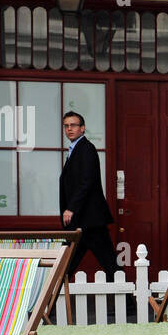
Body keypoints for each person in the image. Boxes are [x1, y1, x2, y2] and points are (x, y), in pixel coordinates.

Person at [58, 111, 119, 277]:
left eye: (73, 125)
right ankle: (51, 301)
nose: (69, 129)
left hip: (90, 221)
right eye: (66, 126)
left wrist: (71, 209)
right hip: (81, 221)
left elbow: (87, 181)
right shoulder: (75, 149)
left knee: (110, 265)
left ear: (82, 129)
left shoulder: (86, 149)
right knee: (66, 265)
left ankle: (128, 303)